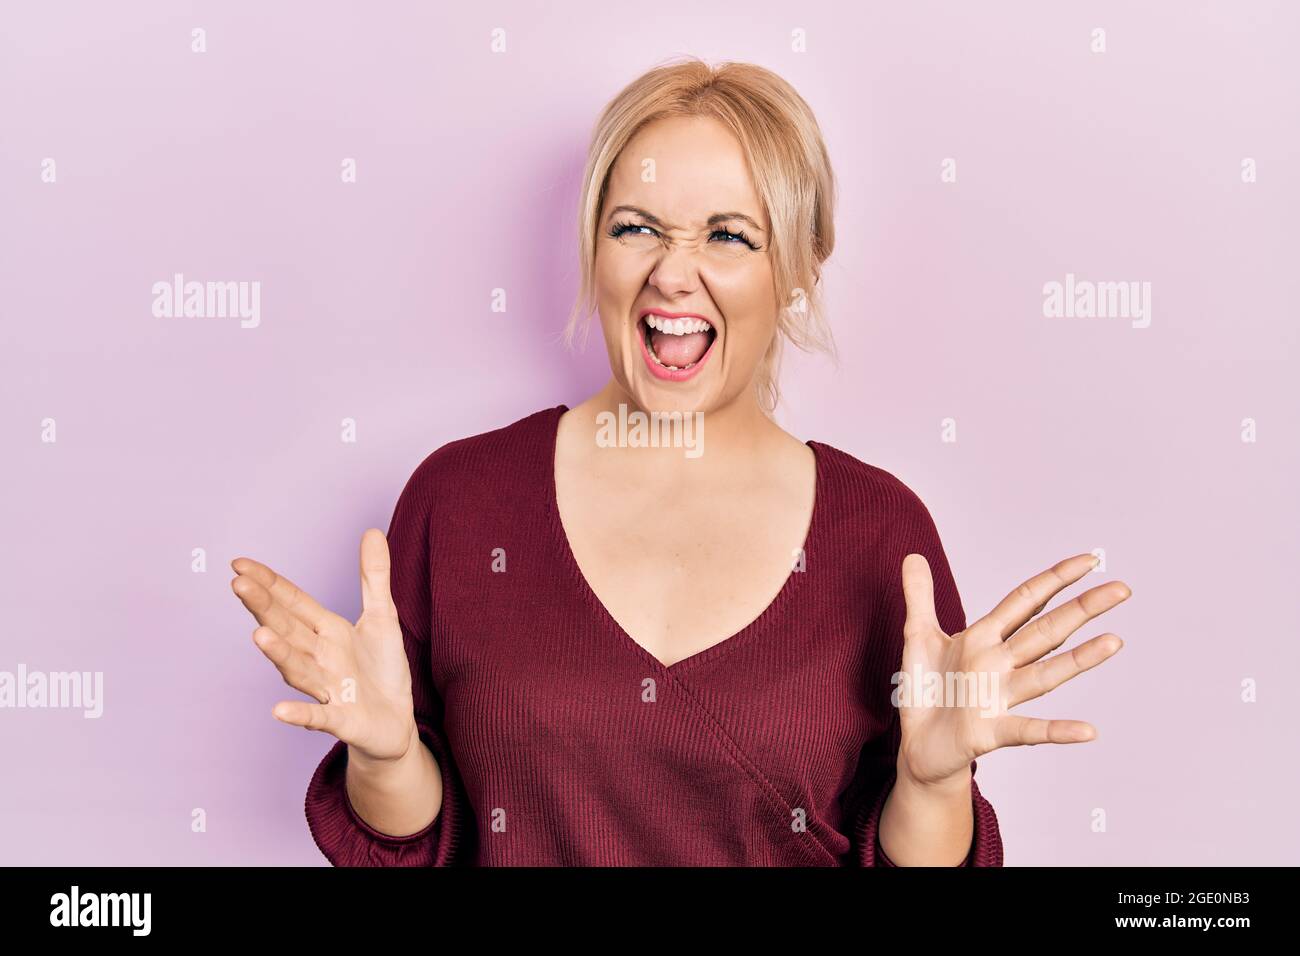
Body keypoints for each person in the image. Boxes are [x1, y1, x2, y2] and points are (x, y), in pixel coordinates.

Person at [230, 56, 1130, 866]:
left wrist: (932, 788)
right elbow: (420, 847)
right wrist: (388, 758)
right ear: (595, 246)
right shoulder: (461, 503)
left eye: (729, 236)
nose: (671, 273)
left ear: (800, 268)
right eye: (636, 228)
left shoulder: (879, 533)